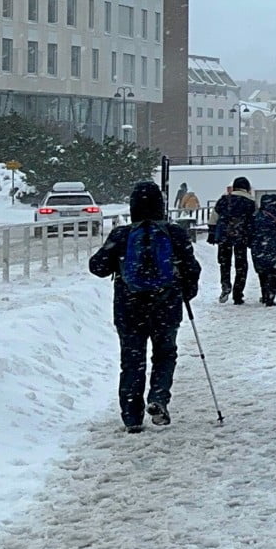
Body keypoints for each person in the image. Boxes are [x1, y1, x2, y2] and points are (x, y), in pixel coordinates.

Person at [87, 181, 202, 433]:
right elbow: (192, 268)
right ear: (161, 207)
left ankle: (131, 416)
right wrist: (186, 293)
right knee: (164, 355)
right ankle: (158, 398)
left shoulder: (122, 235)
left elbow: (97, 267)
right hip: (166, 306)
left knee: (132, 360)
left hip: (129, 308)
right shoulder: (174, 233)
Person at [209, 176, 257, 304]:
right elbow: (253, 221)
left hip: (224, 236)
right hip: (241, 236)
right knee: (241, 265)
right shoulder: (250, 202)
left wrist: (212, 233)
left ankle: (225, 285)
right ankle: (238, 294)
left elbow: (214, 217)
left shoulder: (224, 199)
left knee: (224, 263)